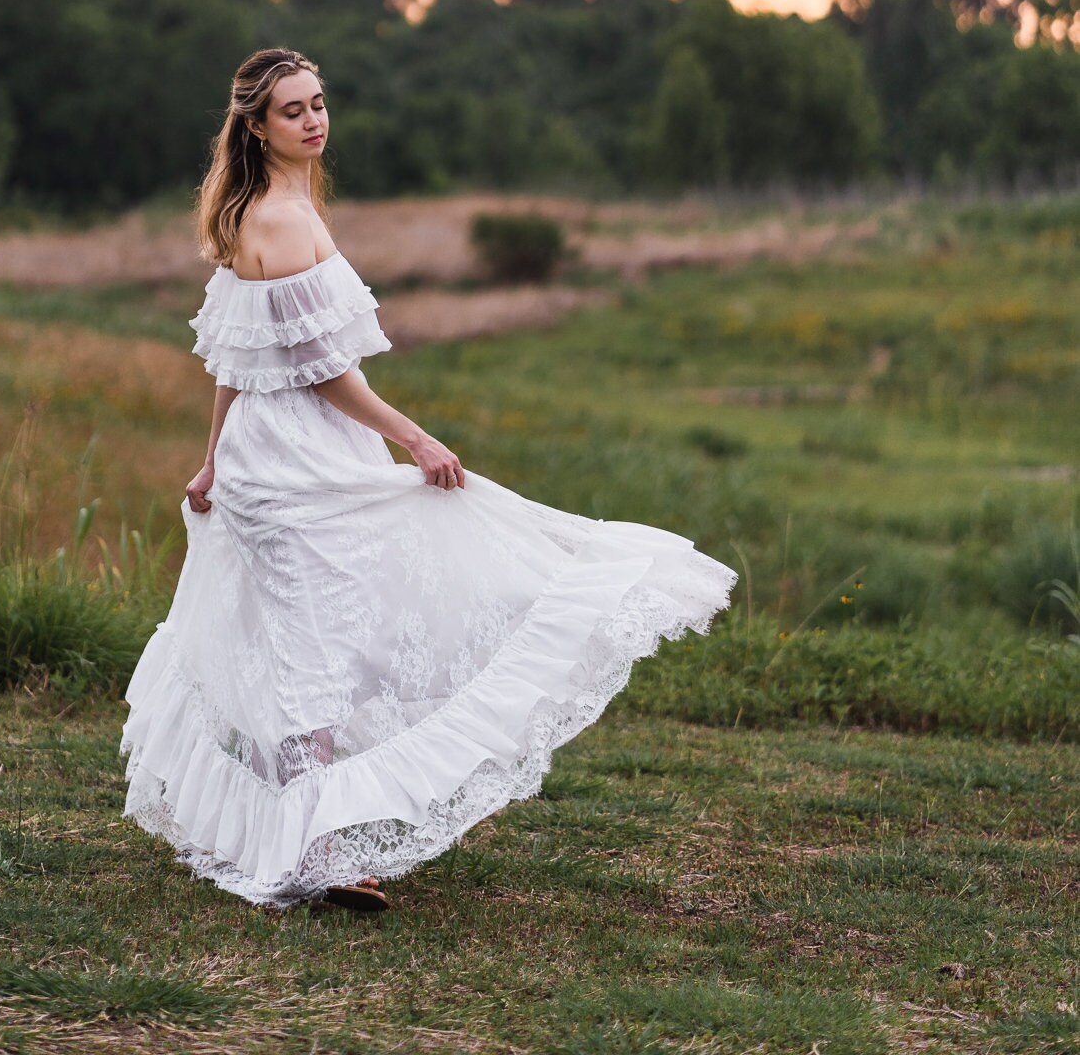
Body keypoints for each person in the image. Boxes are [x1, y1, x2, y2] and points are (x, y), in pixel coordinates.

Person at [121, 48, 735, 911]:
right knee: (313, 651)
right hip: (297, 462)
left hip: (278, 456)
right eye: (293, 110)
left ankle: (306, 838)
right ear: (256, 126)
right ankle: (310, 854)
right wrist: (415, 438)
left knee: (316, 643)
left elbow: (238, 358)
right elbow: (317, 368)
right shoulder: (282, 221)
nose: (314, 120)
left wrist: (216, 453)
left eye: (319, 103)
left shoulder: (264, 211)